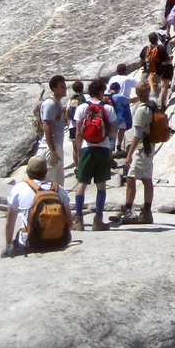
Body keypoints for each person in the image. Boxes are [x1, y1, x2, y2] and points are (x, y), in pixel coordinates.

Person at [2, 154, 72, 256]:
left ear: (27, 172)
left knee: (6, 253)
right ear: (46, 172)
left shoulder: (18, 188)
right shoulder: (59, 189)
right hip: (59, 242)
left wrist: (8, 246)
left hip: (31, 244)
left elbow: (10, 223)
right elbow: (69, 222)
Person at [72, 77, 116, 232]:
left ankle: (78, 220)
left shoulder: (81, 108)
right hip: (103, 149)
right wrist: (110, 147)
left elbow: (78, 133)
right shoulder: (108, 109)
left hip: (86, 148)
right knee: (101, 185)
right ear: (101, 91)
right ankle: (98, 220)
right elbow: (113, 131)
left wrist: (78, 153)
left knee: (81, 184)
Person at [113, 81, 157, 225]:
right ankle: (146, 211)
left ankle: (129, 210)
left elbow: (137, 136)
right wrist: (151, 84)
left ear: (137, 94)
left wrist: (128, 155)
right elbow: (154, 94)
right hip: (150, 146)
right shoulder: (153, 104)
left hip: (142, 148)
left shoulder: (141, 111)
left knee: (131, 178)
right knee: (146, 178)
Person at [40, 75, 69, 187]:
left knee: (59, 182)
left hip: (57, 145)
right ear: (54, 88)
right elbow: (46, 127)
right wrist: (52, 151)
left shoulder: (58, 103)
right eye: (62, 87)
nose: (65, 89)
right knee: (49, 182)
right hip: (49, 147)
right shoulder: (50, 104)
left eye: (65, 86)